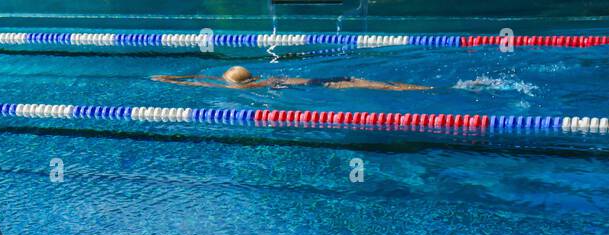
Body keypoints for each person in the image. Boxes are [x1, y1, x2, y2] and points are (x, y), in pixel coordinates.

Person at [152, 64, 430, 91]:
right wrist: (178, 77)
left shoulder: (258, 85)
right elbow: (208, 80)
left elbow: (205, 83)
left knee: (384, 89)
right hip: (325, 80)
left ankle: (420, 88)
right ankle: (415, 87)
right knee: (379, 85)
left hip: (329, 86)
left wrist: (176, 80)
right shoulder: (262, 79)